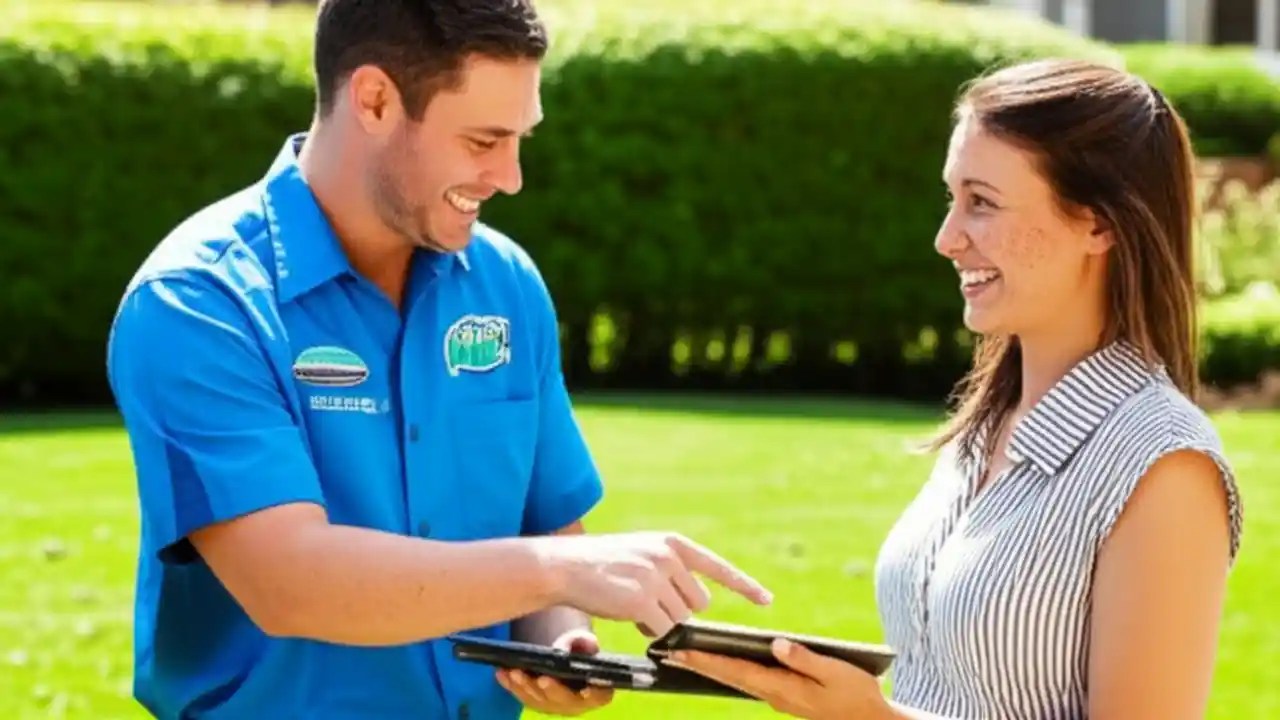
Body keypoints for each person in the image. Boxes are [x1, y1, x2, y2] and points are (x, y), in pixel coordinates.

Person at [104, 1, 773, 719]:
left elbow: (546, 528)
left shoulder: (507, 286)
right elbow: (289, 582)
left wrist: (562, 639)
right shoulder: (199, 300)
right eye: (484, 140)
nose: (511, 176)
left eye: (521, 139)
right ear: (375, 100)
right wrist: (558, 573)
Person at [667, 58, 1244, 719]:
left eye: (983, 203)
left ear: (1098, 224)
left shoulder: (1164, 467)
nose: (946, 238)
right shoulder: (982, 429)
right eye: (953, 198)